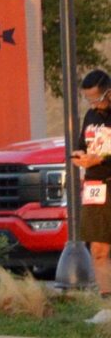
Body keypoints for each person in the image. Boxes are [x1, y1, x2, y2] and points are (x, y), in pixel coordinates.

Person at [75, 68, 111, 296]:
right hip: (95, 186)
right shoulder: (90, 116)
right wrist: (80, 157)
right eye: (87, 99)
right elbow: (82, 144)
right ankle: (106, 299)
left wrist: (102, 158)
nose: (92, 104)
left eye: (96, 98)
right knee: (98, 247)